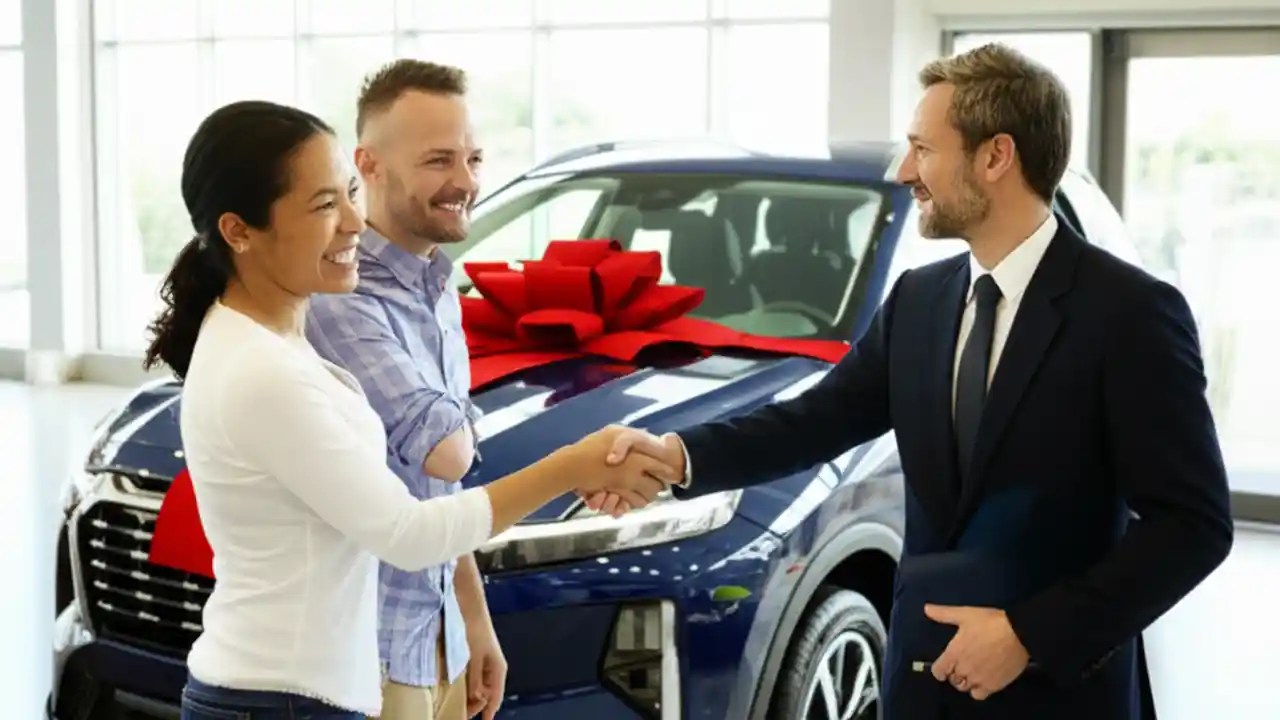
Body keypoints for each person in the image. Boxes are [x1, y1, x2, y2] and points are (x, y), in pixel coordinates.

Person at [596, 43, 1233, 720]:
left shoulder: (1129, 314)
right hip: (921, 686)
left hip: (1061, 694)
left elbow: (1192, 526)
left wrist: (1030, 636)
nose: (906, 171)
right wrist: (678, 456)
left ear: (995, 158)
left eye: (923, 149)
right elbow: (815, 421)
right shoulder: (919, 301)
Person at [143, 100, 677, 720]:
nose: (353, 222)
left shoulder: (269, 337)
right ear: (239, 231)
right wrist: (571, 466)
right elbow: (408, 534)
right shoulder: (263, 370)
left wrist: (467, 621)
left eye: (348, 193)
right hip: (281, 699)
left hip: (292, 692)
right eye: (323, 205)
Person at [303, 59, 496, 720]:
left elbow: (441, 492)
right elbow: (447, 451)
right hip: (372, 658)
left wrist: (475, 622)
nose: (465, 181)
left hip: (435, 639)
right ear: (369, 163)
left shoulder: (439, 290)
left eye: (473, 158)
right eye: (440, 160)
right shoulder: (341, 300)